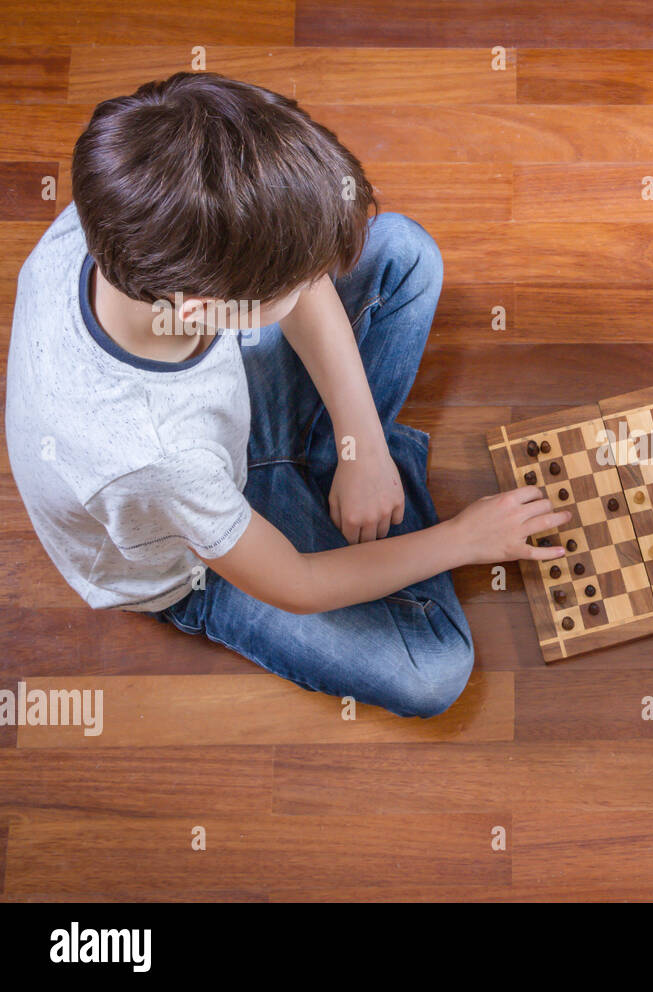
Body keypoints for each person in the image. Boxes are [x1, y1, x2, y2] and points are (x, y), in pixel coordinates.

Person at [5, 73, 569, 717]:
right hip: (199, 558)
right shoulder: (150, 456)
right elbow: (297, 585)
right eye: (295, 282)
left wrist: (363, 451)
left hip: (219, 429)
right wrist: (468, 540)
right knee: (432, 670)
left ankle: (348, 468)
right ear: (206, 309)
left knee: (405, 252)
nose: (315, 283)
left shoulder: (126, 201)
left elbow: (299, 281)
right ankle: (344, 483)